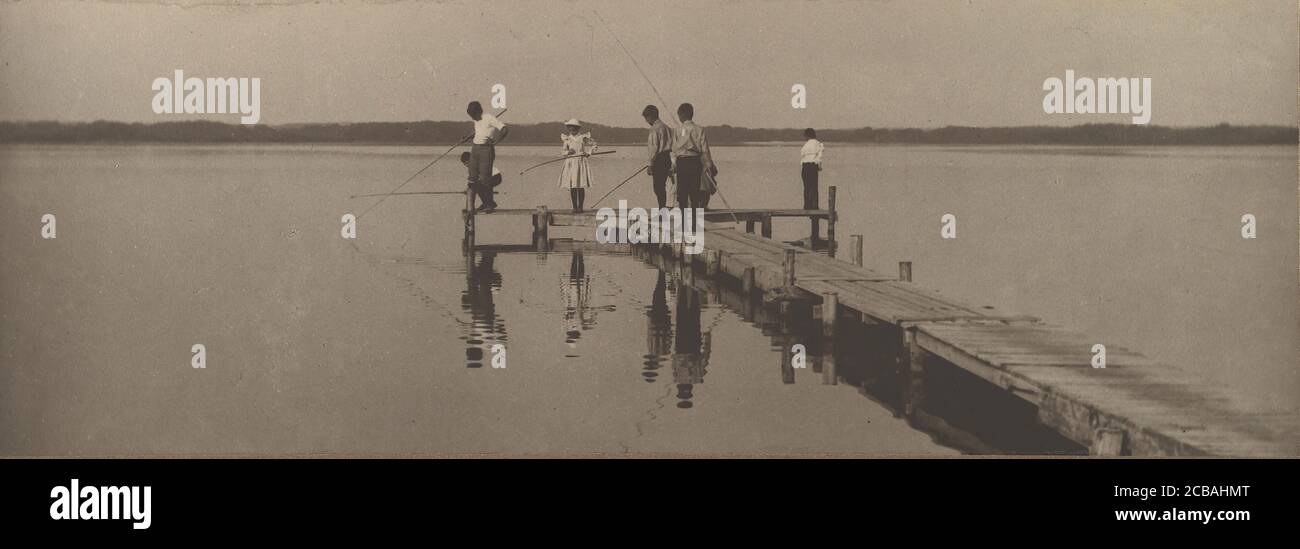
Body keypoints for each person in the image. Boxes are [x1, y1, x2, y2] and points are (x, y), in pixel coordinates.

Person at [669, 103, 716, 210]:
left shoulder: (677, 130)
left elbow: (674, 151)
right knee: (695, 194)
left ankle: (684, 223)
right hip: (695, 163)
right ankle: (695, 224)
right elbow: (705, 150)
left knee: (682, 195)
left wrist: (673, 166)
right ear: (692, 114)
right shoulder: (699, 129)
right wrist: (709, 165)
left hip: (682, 163)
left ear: (680, 115)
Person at [466, 101, 508, 208]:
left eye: (473, 115)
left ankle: (489, 203)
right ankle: (473, 206)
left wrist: (495, 142)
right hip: (475, 148)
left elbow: (504, 130)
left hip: (486, 150)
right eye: (471, 115)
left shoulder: (489, 118)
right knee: (472, 178)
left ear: (479, 111)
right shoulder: (476, 121)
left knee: (485, 179)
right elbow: (480, 132)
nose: (473, 117)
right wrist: (469, 137)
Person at [557, 118, 597, 212]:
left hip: (580, 162)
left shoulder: (583, 138)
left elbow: (594, 144)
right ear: (569, 128)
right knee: (573, 186)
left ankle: (581, 207)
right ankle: (575, 207)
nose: (572, 129)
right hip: (570, 163)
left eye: (574, 127)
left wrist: (589, 153)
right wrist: (568, 152)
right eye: (570, 127)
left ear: (578, 128)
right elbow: (563, 152)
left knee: (580, 185)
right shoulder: (567, 139)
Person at [643, 105, 673, 208]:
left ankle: (662, 211)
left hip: (658, 160)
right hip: (667, 158)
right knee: (663, 186)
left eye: (646, 118)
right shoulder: (667, 127)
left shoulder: (654, 129)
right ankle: (663, 208)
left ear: (650, 116)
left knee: (658, 187)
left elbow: (653, 148)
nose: (647, 121)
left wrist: (650, 164)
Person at [800, 128, 825, 240]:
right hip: (813, 167)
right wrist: (819, 167)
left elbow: (802, 158)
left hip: (805, 167)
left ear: (807, 136)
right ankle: (814, 206)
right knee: (814, 188)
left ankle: (807, 205)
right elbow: (819, 158)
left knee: (806, 187)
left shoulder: (805, 146)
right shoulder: (819, 144)